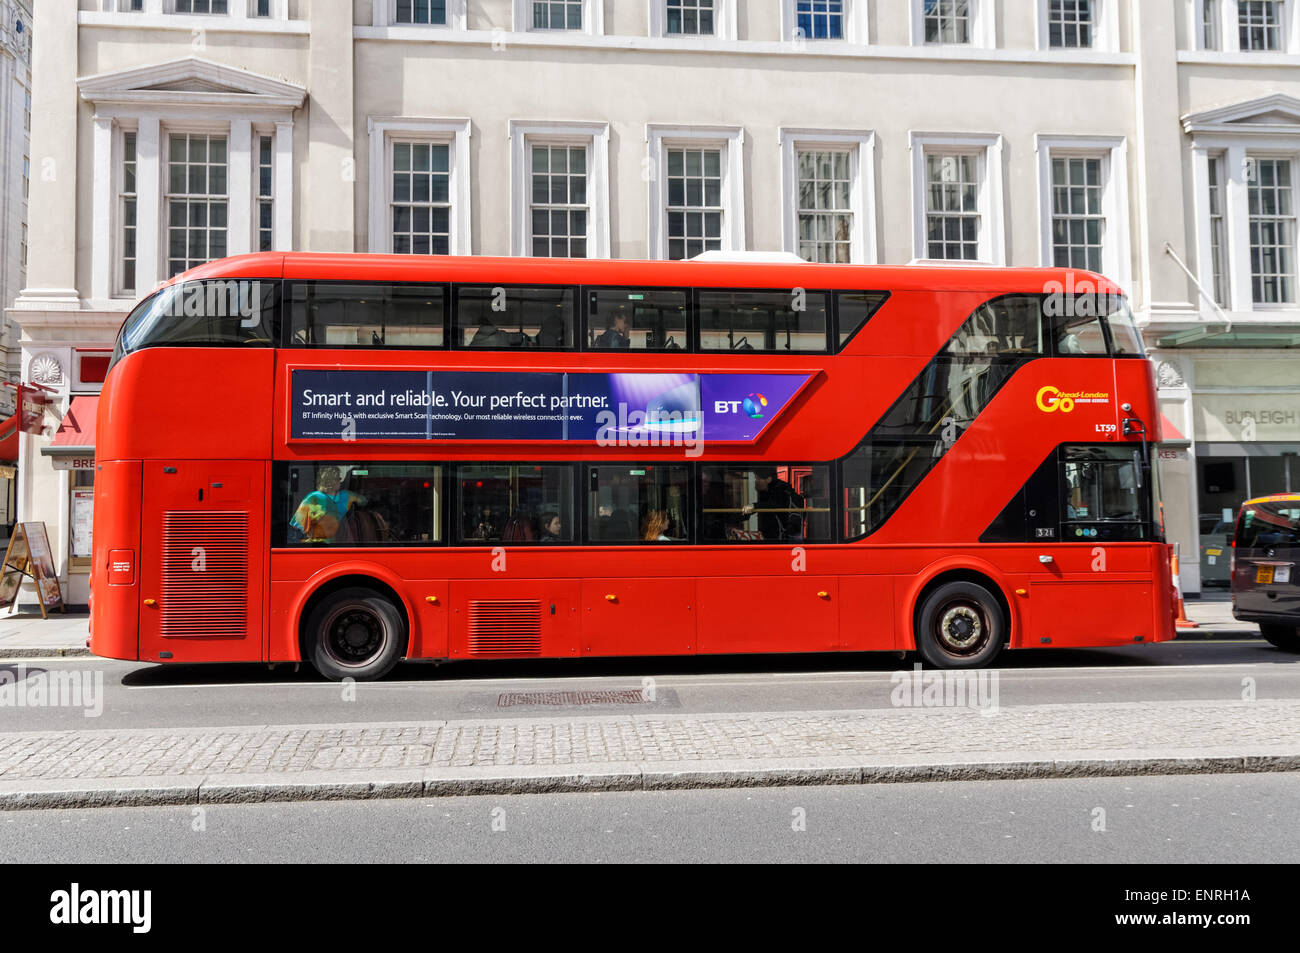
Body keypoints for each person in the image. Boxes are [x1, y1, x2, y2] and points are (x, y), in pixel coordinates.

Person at [291, 466, 365, 543]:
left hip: (336, 544)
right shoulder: (312, 499)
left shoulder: (342, 496)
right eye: (338, 479)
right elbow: (297, 527)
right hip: (317, 544)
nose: (340, 482)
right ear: (331, 482)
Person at [742, 467, 804, 541]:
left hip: (783, 538)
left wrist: (754, 506)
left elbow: (773, 505)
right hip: (773, 536)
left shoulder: (781, 491)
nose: (756, 482)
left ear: (768, 479)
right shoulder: (766, 492)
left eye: (758, 479)